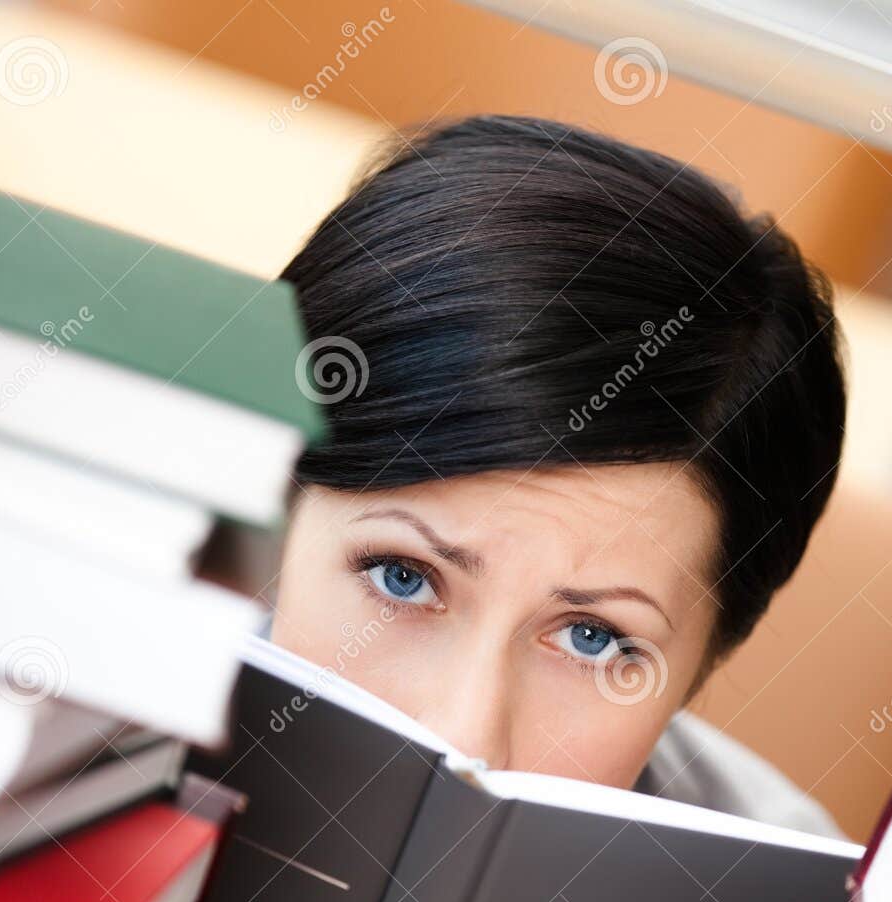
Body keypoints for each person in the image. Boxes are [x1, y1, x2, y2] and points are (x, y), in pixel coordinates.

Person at [272, 114, 846, 836]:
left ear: (706, 663)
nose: (464, 743)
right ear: (268, 513)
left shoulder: (789, 897)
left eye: (591, 639)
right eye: (403, 577)